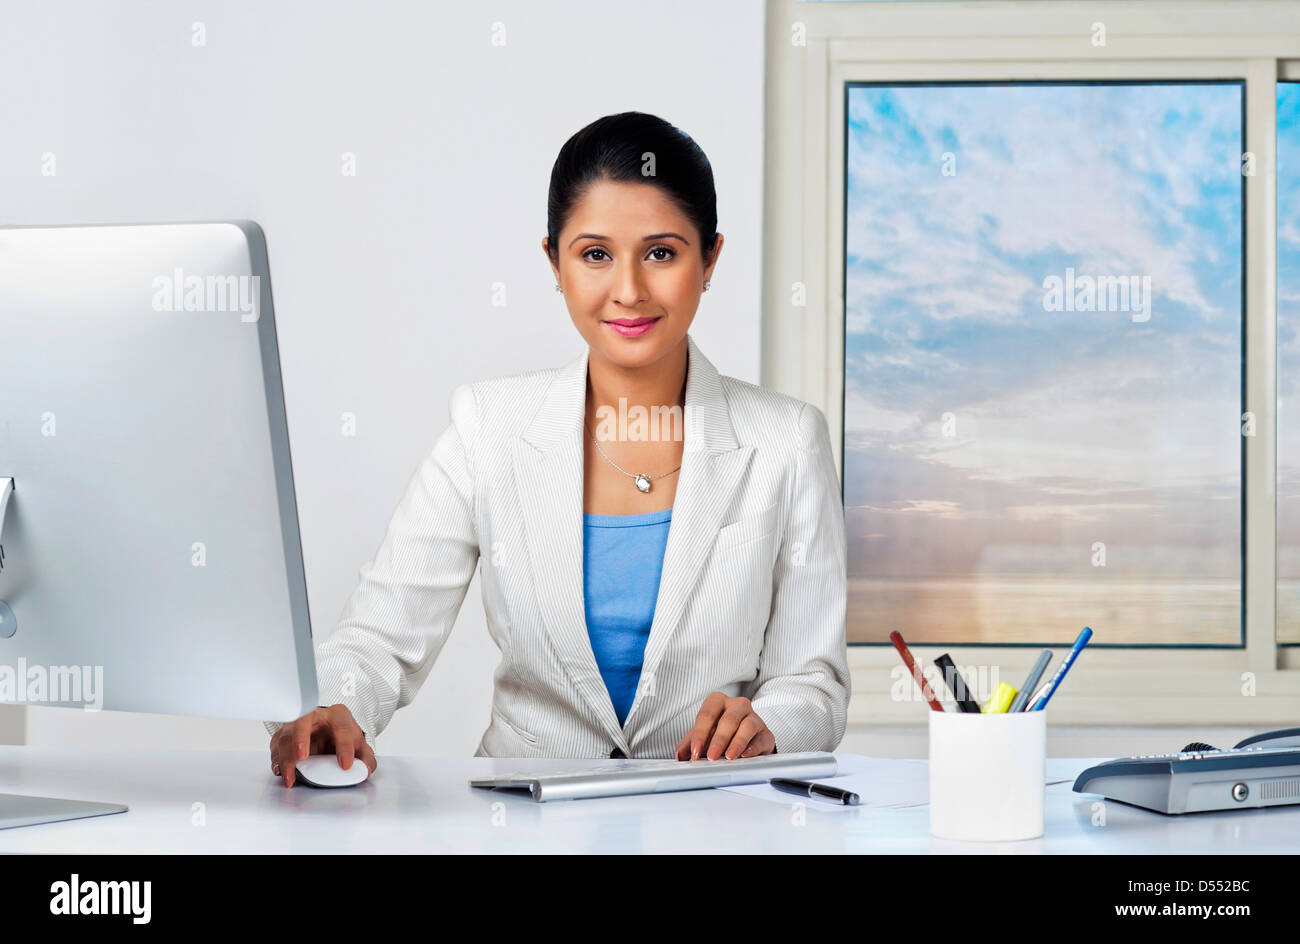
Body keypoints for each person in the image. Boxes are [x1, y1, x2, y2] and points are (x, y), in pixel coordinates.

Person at [268, 111, 849, 786]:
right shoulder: (488, 427)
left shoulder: (787, 441)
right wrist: (337, 706)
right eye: (595, 254)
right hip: (520, 825)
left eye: (661, 252)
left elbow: (815, 682)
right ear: (554, 261)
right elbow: (379, 638)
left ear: (710, 257)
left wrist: (771, 721)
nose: (628, 289)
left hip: (709, 820)